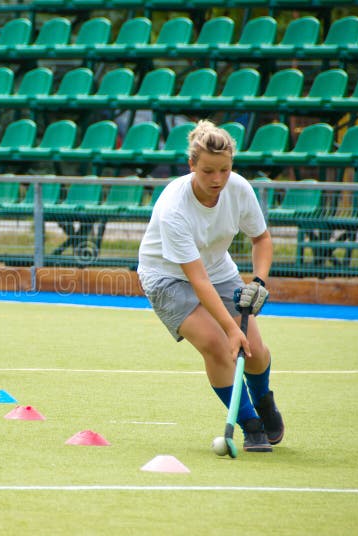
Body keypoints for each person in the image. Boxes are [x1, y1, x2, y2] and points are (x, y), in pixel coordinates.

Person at [137, 119, 284, 452]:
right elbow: (196, 279)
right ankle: (251, 423)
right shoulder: (174, 207)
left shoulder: (239, 189)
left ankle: (262, 399)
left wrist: (258, 281)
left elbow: (260, 238)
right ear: (191, 166)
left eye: (224, 170)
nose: (217, 180)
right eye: (207, 172)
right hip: (166, 276)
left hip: (218, 269)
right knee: (219, 345)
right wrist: (230, 330)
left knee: (256, 352)